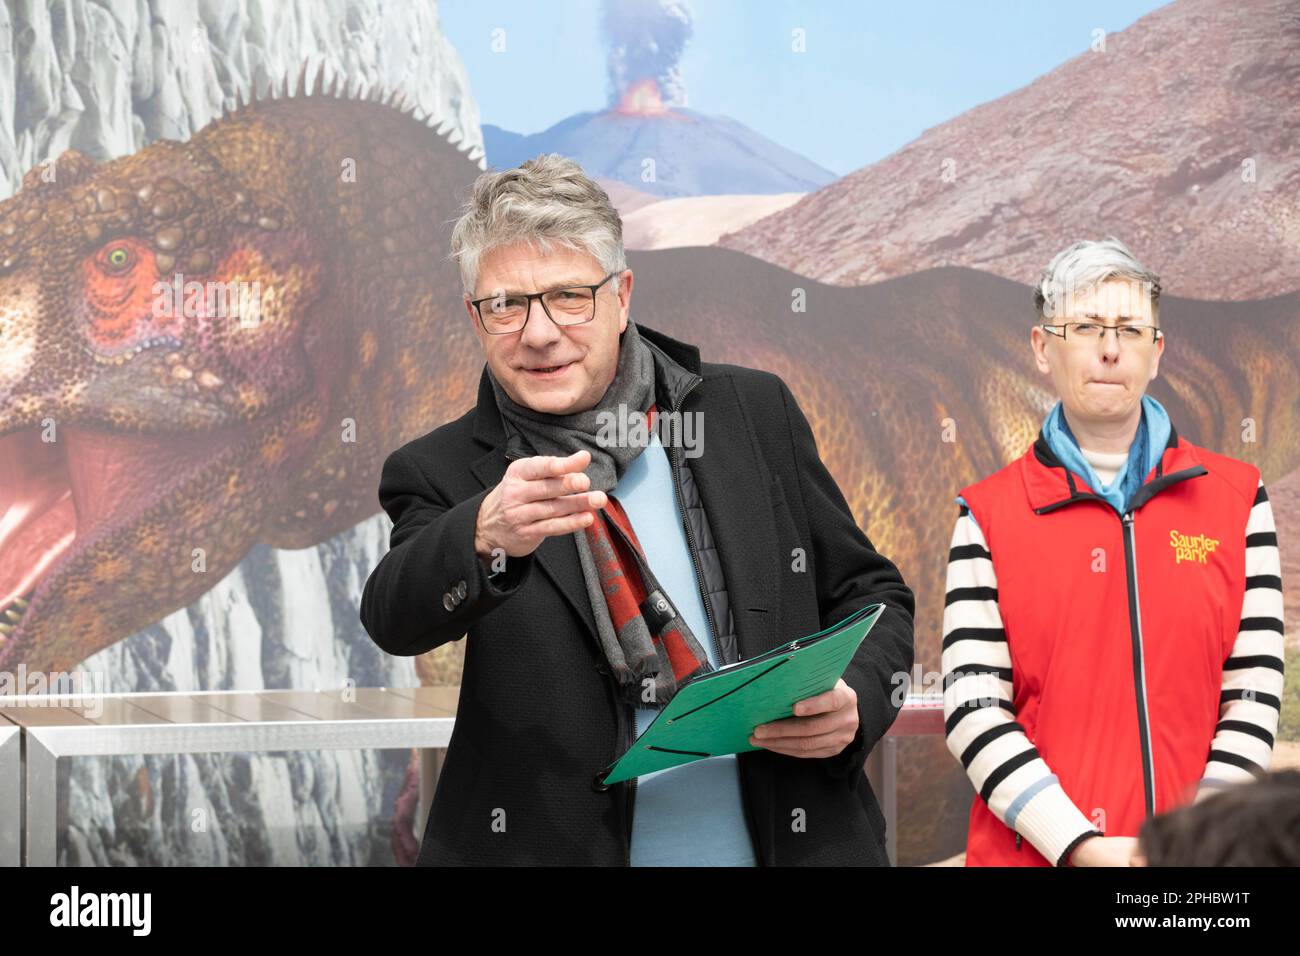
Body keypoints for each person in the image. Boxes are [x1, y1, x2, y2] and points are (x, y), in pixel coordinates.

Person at [359, 154, 915, 865]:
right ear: (475, 318)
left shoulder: (747, 412)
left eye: (569, 296)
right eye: (506, 304)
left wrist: (856, 700)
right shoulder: (442, 472)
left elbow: (873, 594)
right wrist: (482, 535)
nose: (538, 332)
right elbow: (393, 615)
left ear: (622, 295)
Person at [940, 237, 1285, 867]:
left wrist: (1195, 840)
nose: (1109, 347)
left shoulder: (1239, 499)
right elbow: (973, 705)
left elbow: (1254, 689)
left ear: (1156, 353)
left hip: (1193, 875)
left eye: (1129, 329)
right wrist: (1081, 847)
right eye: (1087, 326)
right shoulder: (987, 514)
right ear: (1043, 347)